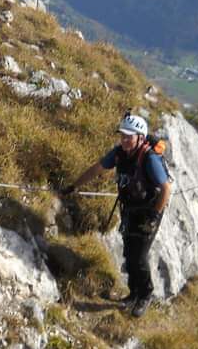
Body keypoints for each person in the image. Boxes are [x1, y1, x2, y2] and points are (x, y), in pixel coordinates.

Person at [63, 113, 172, 317]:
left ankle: (145, 295)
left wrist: (154, 217)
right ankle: (133, 294)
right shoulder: (119, 153)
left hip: (149, 211)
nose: (123, 140)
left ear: (140, 137)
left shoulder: (149, 158)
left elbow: (166, 189)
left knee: (139, 255)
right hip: (130, 209)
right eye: (122, 135)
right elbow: (96, 169)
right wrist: (74, 186)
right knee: (129, 253)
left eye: (128, 136)